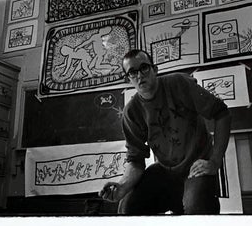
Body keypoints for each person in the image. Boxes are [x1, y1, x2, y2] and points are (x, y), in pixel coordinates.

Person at [99, 49, 231, 214]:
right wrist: (123, 186)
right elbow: (136, 160)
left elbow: (222, 113)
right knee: (127, 208)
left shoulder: (179, 83)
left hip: (196, 166)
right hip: (165, 171)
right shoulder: (131, 112)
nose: (139, 75)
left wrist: (215, 161)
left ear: (155, 69)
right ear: (128, 78)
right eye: (132, 72)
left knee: (195, 208)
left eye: (144, 68)